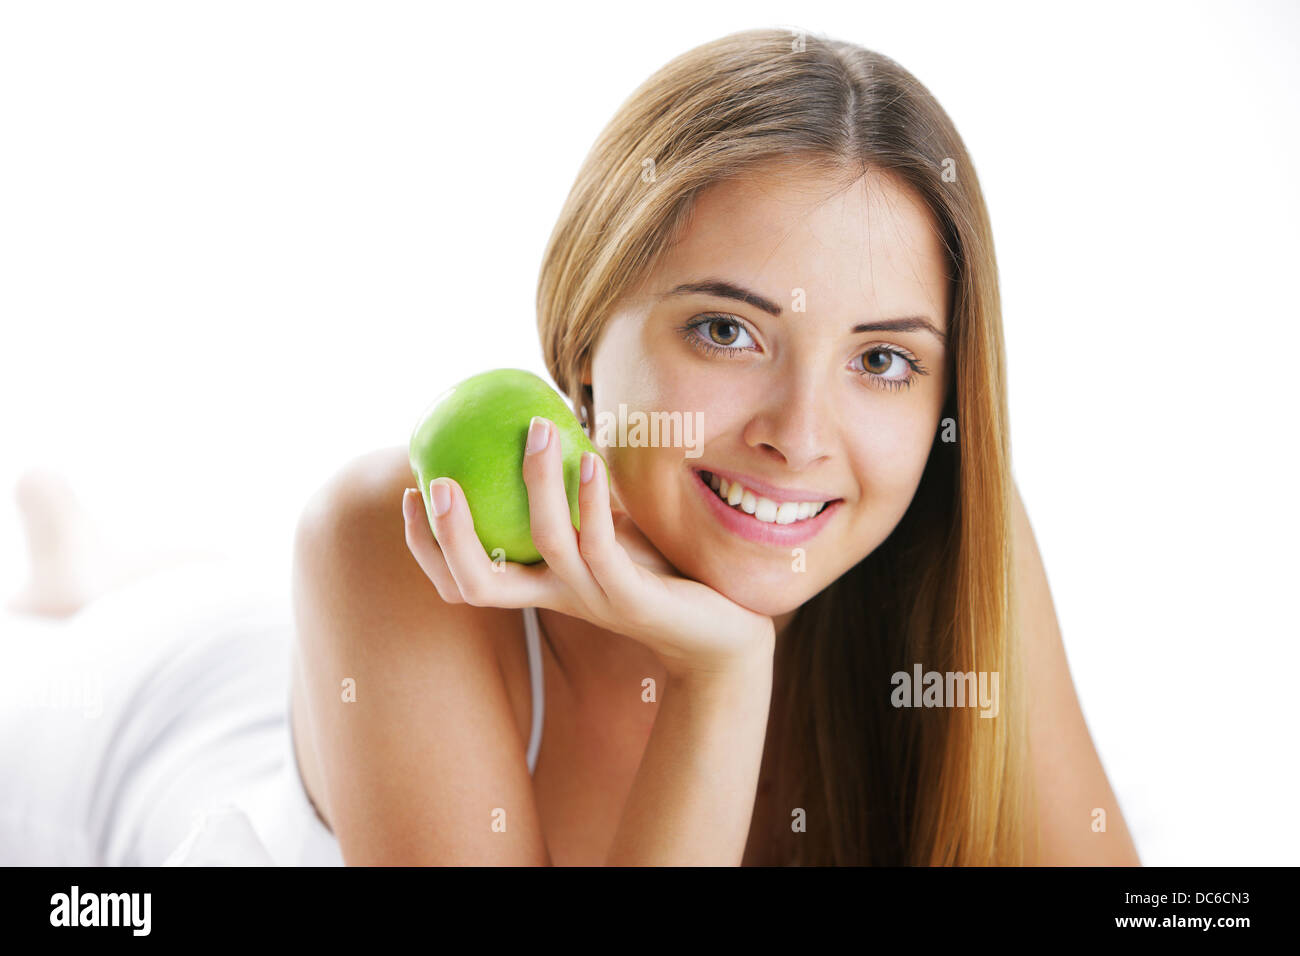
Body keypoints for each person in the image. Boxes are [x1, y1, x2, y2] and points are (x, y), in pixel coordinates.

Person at [2, 27, 1141, 866]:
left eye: (883, 359)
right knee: (98, 646)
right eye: (727, 329)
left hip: (326, 679)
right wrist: (723, 675)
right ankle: (78, 591)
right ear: (584, 341)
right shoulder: (395, 532)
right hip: (131, 759)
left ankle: (94, 562)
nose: (799, 436)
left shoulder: (942, 526)